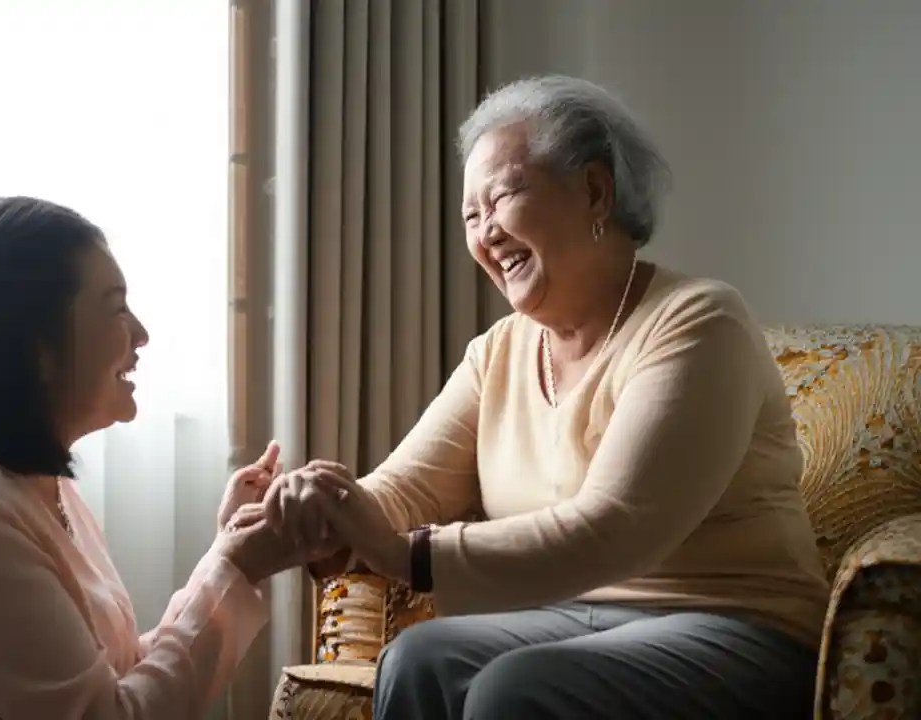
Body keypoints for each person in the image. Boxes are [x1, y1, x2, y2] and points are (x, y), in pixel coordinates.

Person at [266, 76, 830, 719]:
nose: (486, 235)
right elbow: (404, 491)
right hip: (573, 623)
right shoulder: (500, 351)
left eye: (501, 198)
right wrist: (316, 515)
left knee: (518, 687)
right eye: (471, 217)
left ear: (595, 190)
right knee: (421, 659)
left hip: (734, 623)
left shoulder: (698, 323)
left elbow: (613, 528)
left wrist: (404, 555)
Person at [0, 197, 298, 719]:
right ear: (36, 345)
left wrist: (228, 552)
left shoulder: (34, 485)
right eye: (116, 307)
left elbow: (119, 679)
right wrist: (232, 566)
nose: (140, 333)